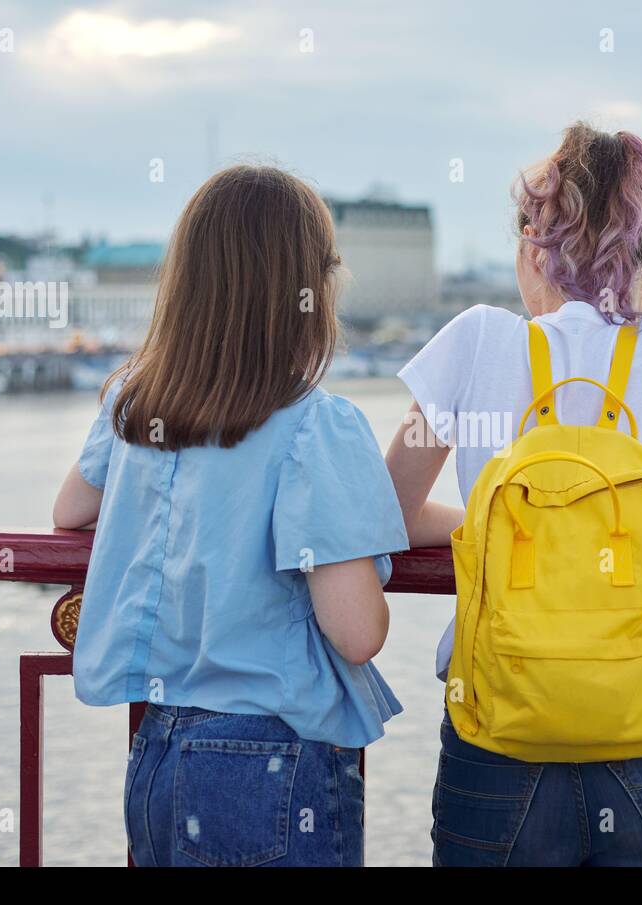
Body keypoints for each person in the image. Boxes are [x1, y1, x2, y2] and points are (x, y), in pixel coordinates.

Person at [385, 122, 642, 866]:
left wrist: (519, 527)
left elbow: (389, 515)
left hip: (500, 728)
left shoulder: (473, 340)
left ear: (539, 239)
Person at [52, 165, 408, 867]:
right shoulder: (317, 426)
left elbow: (71, 508)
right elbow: (359, 632)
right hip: (270, 763)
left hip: (158, 750)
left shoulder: (136, 402)